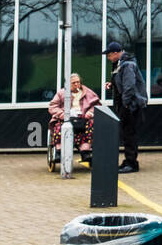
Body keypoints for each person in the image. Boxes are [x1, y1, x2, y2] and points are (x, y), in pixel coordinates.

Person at [106, 42, 147, 173]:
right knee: (126, 133)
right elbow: (121, 81)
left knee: (129, 134)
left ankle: (131, 163)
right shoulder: (120, 64)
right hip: (126, 105)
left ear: (116, 53)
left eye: (109, 55)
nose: (108, 58)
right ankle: (128, 160)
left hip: (131, 106)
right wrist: (112, 84)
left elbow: (129, 86)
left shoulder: (128, 64)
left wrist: (126, 104)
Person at [48, 73, 100, 159]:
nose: (76, 84)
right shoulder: (61, 93)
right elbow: (52, 106)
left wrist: (90, 112)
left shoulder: (87, 92)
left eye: (78, 82)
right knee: (58, 126)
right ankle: (59, 152)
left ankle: (85, 152)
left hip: (83, 118)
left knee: (90, 125)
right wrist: (62, 114)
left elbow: (97, 104)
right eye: (73, 83)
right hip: (65, 118)